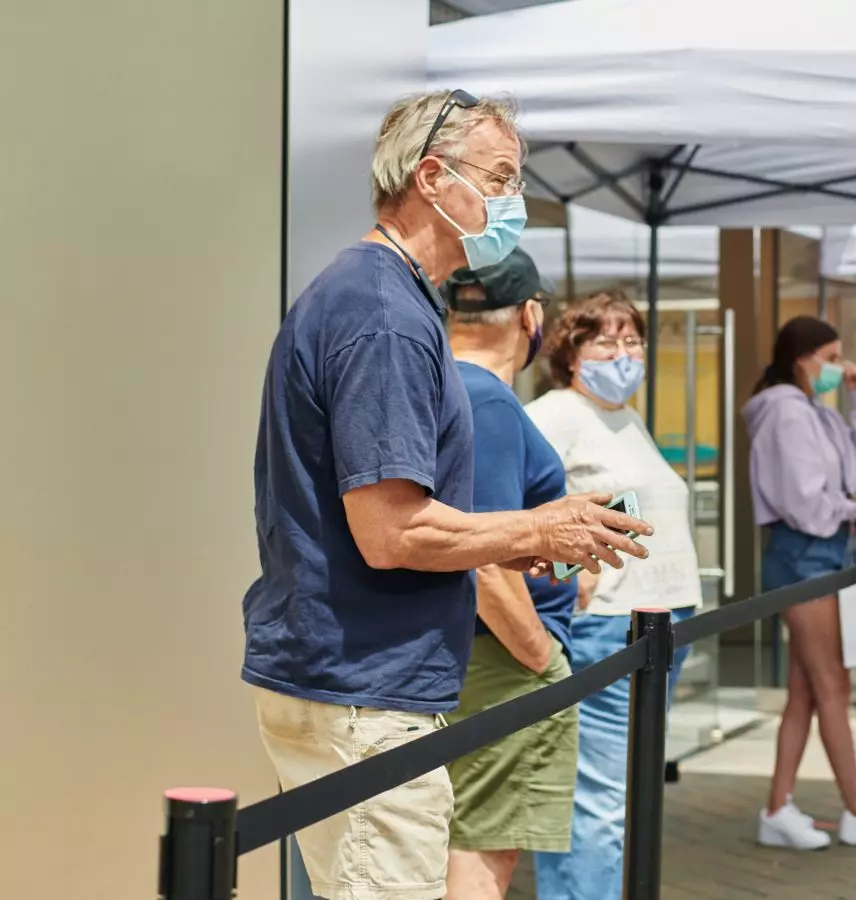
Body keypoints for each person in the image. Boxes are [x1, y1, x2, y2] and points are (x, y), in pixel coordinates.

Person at [242, 90, 650, 900]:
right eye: (500, 177)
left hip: (359, 682)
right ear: (432, 176)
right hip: (365, 690)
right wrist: (537, 525)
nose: (514, 199)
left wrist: (524, 537)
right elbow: (391, 533)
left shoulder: (385, 297)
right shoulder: (383, 310)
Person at [527, 292, 702, 900]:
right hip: (609, 626)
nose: (622, 354)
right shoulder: (556, 413)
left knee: (623, 789)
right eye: (605, 341)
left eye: (631, 341)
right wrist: (569, 575)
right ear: (572, 352)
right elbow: (519, 503)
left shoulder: (625, 416)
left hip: (661, 619)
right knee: (600, 794)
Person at [743, 316, 856, 850]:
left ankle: (778, 807)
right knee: (832, 686)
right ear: (804, 359)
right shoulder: (786, 414)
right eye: (834, 358)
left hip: (822, 551)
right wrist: (851, 505)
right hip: (806, 555)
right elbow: (805, 501)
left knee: (806, 689)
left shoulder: (815, 411)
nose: (842, 369)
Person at [437, 248, 579, 900]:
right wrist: (540, 654)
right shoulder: (488, 402)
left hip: (468, 655)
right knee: (483, 851)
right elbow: (485, 557)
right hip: (503, 663)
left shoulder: (440, 386)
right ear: (530, 315)